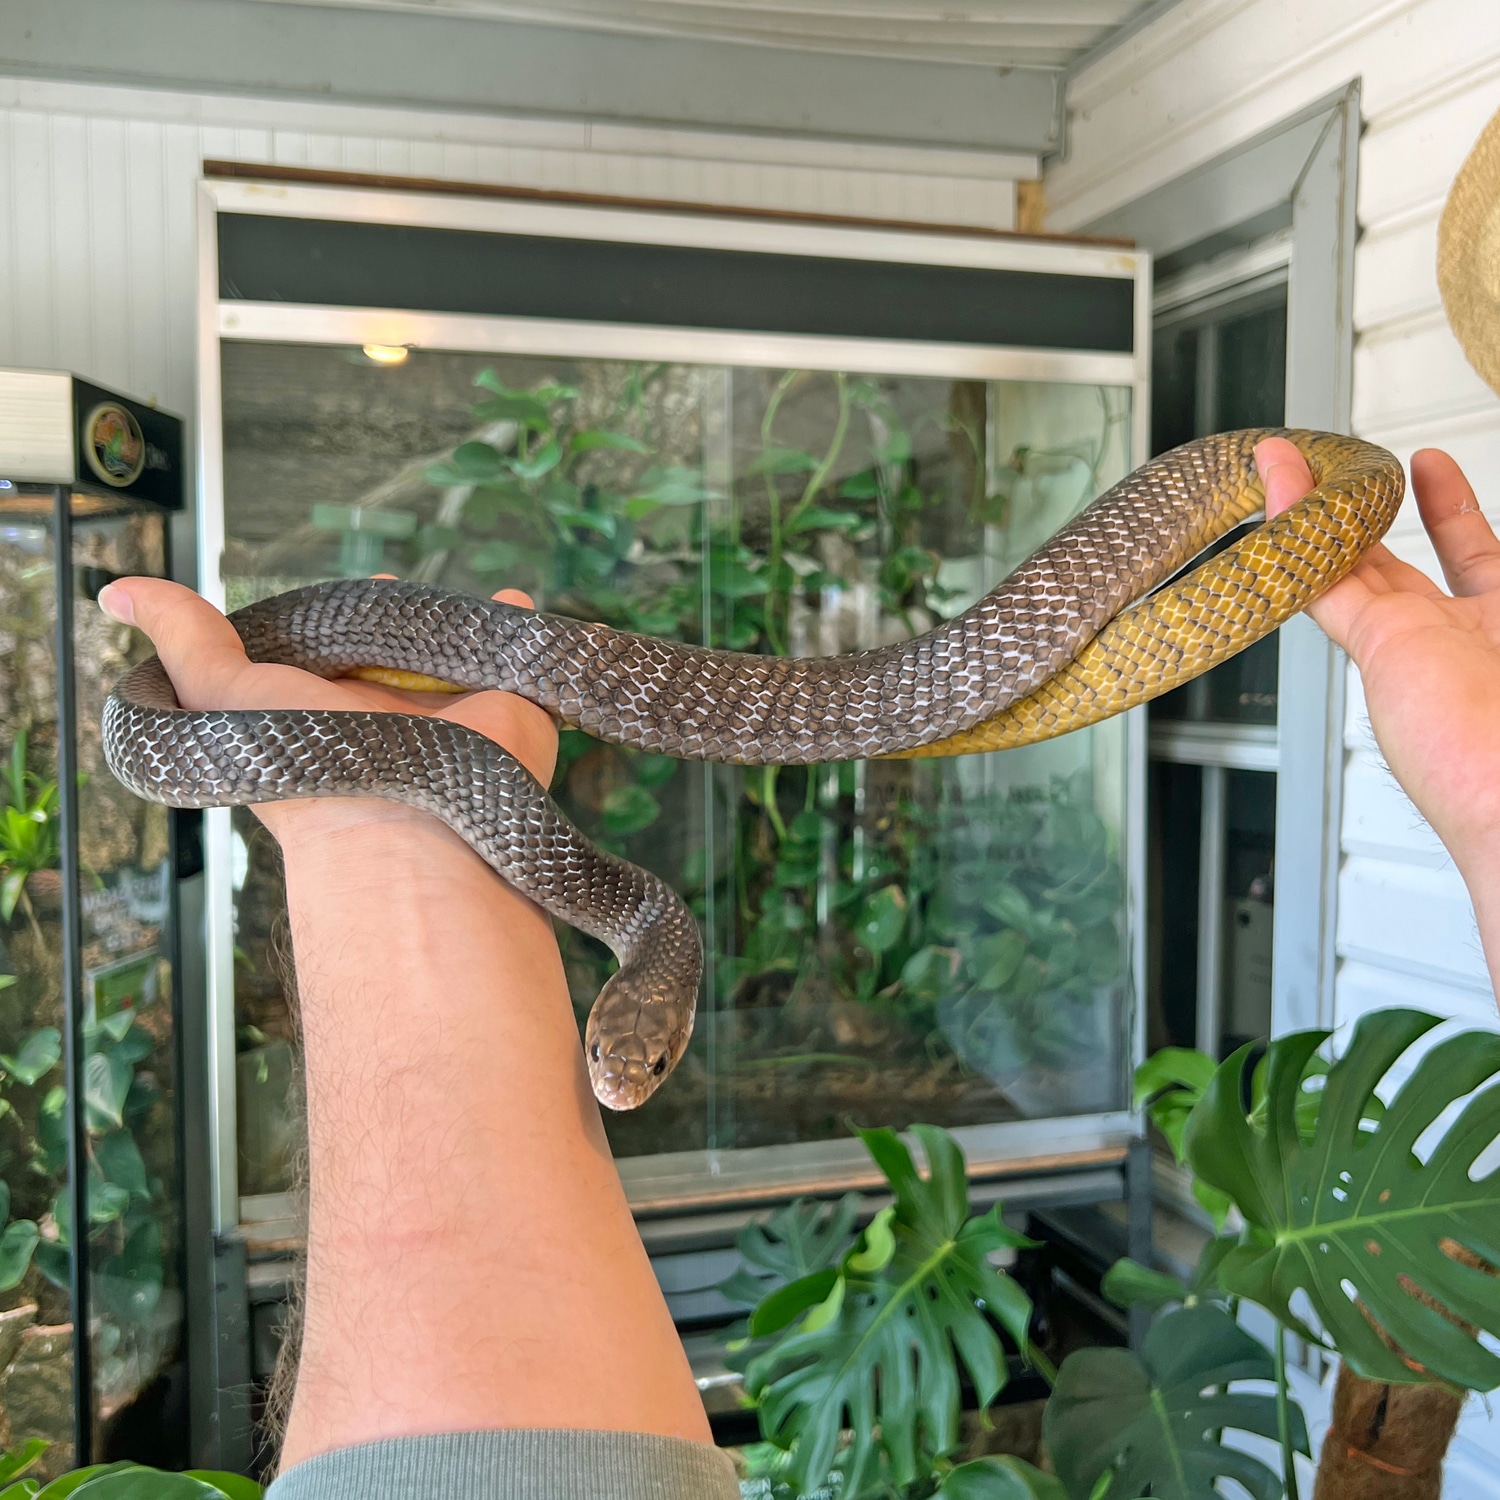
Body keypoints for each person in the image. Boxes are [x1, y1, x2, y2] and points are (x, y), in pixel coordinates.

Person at [92, 437, 1500, 1498]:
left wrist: (375, 835)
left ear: (662, 1009)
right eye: (625, 1057)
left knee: (953, 672)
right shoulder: (622, 903)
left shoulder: (628, 909)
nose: (623, 1078)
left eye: (635, 1057)